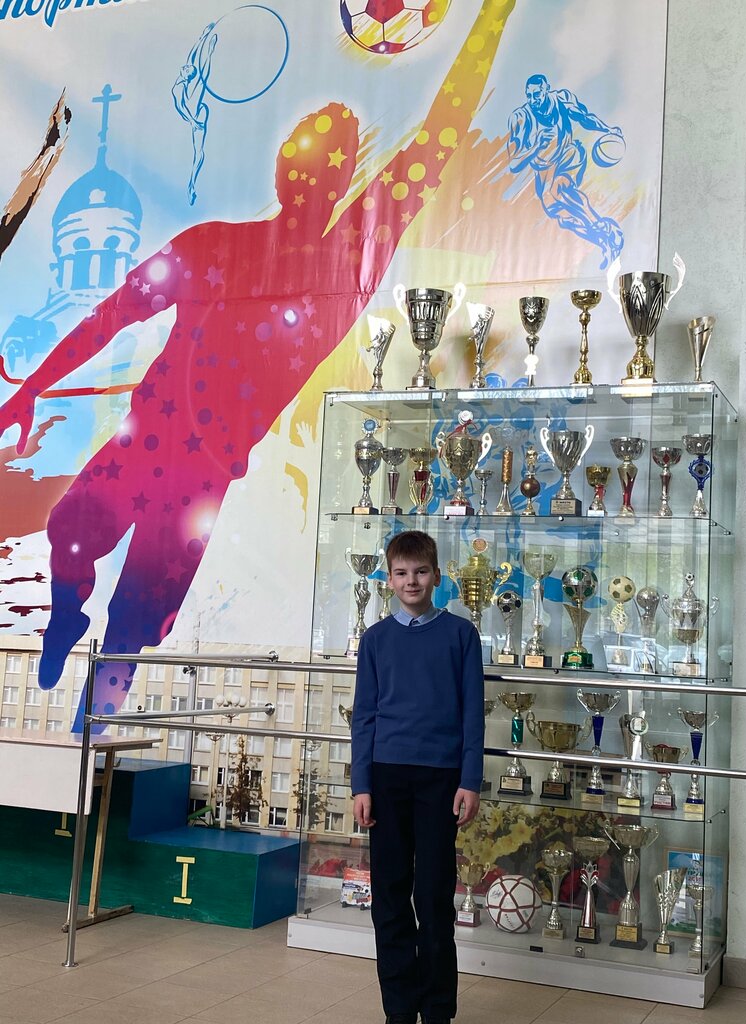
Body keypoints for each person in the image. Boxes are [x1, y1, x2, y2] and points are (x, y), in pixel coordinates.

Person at [0, 0, 516, 731]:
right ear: (280, 170)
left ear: (338, 179)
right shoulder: (214, 243)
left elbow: (439, 135)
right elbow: (109, 316)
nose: (307, 168)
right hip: (143, 446)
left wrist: (492, 16)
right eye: (302, 153)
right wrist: (31, 388)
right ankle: (65, 620)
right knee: (71, 536)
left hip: (199, 476)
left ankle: (93, 733)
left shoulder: (347, 261)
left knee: (136, 618)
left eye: (325, 157)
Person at [351, 530, 484, 1024]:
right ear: (388, 579)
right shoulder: (375, 640)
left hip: (441, 781)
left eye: (421, 572)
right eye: (402, 573)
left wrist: (470, 780)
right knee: (389, 897)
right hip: (386, 779)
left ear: (437, 577)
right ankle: (400, 1011)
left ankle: (438, 1012)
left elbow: (473, 714)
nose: (412, 581)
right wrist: (361, 785)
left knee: (433, 896)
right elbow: (364, 716)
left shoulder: (461, 636)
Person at [508, 73, 625, 268]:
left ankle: (603, 226)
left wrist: (607, 130)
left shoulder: (561, 99)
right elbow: (514, 163)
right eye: (529, 96)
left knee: (560, 188)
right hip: (544, 170)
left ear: (546, 90)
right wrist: (536, 146)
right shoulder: (521, 118)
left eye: (537, 94)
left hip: (569, 153)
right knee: (563, 218)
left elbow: (585, 118)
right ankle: (605, 241)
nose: (533, 100)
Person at [171, 22, 217, 206]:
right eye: (186, 67)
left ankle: (191, 185)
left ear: (187, 75)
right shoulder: (181, 81)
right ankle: (191, 186)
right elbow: (192, 55)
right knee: (198, 152)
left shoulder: (182, 85)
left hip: (193, 112)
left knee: (199, 152)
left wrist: (209, 47)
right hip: (194, 114)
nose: (186, 67)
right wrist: (203, 36)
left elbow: (180, 106)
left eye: (188, 69)